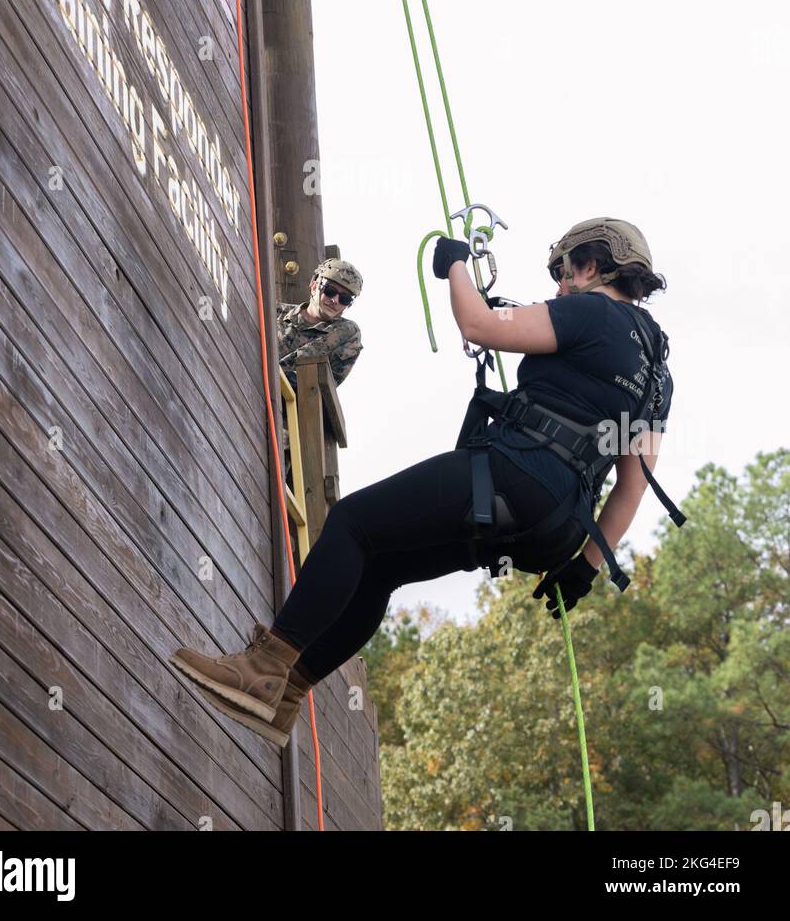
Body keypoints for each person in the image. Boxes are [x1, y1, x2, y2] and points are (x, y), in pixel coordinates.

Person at [170, 218, 678, 748]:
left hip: (514, 476)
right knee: (380, 566)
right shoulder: (659, 373)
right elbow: (633, 484)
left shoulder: (590, 312)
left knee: (351, 524)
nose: (558, 286)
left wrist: (455, 262)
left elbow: (480, 325)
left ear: (592, 266)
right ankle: (286, 695)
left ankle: (263, 669)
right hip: (556, 529)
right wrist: (583, 570)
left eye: (563, 273)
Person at [276, 258, 364, 394]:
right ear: (314, 286)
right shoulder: (276, 312)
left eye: (344, 299)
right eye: (330, 291)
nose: (335, 300)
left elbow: (322, 385)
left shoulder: (346, 333)